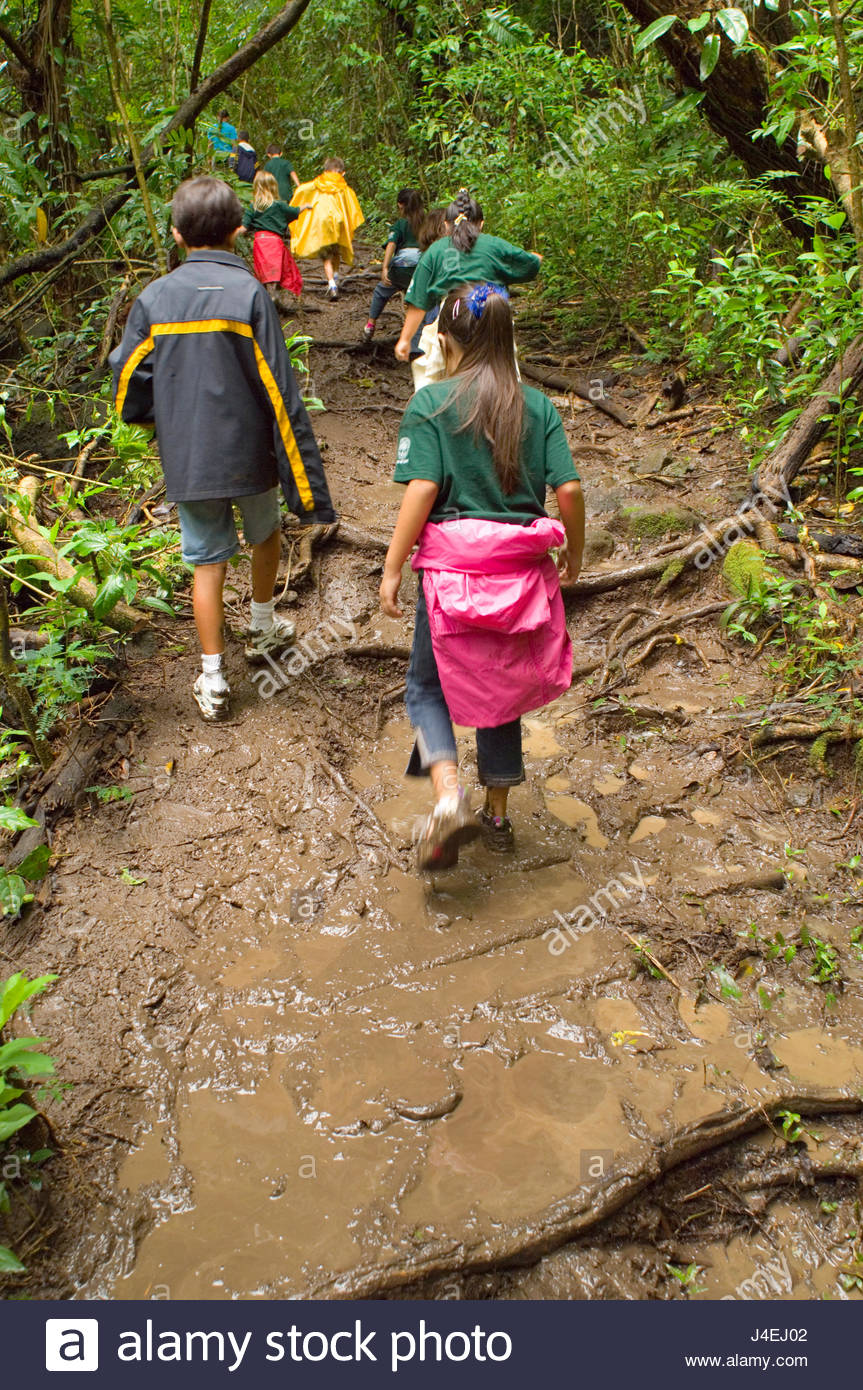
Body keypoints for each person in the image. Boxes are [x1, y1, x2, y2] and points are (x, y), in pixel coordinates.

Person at [110, 177, 337, 723]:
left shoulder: (155, 298)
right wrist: (301, 470)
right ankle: (261, 626)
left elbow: (127, 374)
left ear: (175, 234)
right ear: (239, 231)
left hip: (191, 457)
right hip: (251, 452)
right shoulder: (250, 295)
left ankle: (212, 678)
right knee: (265, 534)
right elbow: (278, 384)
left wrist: (146, 414)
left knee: (206, 561)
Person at [380, 282, 584, 871]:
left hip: (452, 575)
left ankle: (448, 795)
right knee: (503, 687)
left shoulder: (431, 404)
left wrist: (393, 568)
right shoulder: (538, 406)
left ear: (443, 340)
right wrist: (575, 553)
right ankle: (497, 816)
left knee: (425, 686)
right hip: (519, 579)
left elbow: (421, 489)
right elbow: (568, 490)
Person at [394, 189, 541, 388]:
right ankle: (512, 401)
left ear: (446, 225)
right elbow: (531, 265)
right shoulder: (495, 245)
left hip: (452, 315)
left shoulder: (436, 250)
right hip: (493, 312)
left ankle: (428, 408)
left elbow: (419, 301)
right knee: (506, 367)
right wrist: (535, 257)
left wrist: (405, 339)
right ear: (481, 224)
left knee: (428, 370)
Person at [290, 157, 364, 300]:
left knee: (326, 258)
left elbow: (302, 190)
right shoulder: (344, 188)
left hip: (322, 226)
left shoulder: (318, 183)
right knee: (335, 253)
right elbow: (352, 207)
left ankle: (332, 284)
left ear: (326, 170)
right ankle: (335, 277)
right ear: (342, 172)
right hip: (338, 224)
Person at [362, 188, 425, 341]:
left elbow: (391, 244)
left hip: (400, 269)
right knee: (420, 303)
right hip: (422, 269)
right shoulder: (428, 222)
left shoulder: (400, 224)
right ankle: (419, 338)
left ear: (400, 205)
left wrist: (384, 268)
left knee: (381, 292)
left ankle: (370, 325)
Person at [241, 170, 309, 310]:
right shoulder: (279, 205)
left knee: (263, 271)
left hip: (260, 242)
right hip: (275, 242)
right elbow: (294, 211)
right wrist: (306, 206)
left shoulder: (253, 207)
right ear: (273, 187)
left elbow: (244, 227)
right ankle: (276, 295)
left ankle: (265, 299)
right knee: (280, 270)